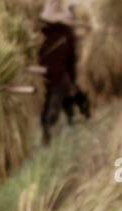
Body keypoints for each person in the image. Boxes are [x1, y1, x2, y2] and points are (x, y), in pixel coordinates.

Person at [38, 0, 86, 143]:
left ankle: (47, 131)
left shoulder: (39, 30)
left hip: (42, 76)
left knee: (48, 104)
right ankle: (49, 129)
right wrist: (73, 80)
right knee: (53, 103)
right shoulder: (67, 33)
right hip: (56, 76)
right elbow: (72, 60)